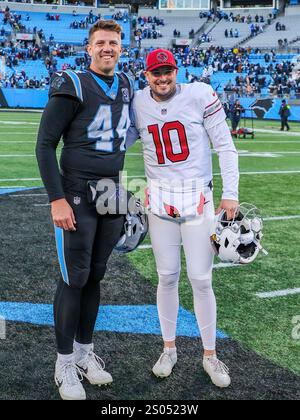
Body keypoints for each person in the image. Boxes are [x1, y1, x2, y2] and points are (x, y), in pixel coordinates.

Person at [126, 49, 239, 388]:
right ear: (146, 75)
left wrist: (230, 192)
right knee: (167, 276)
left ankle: (209, 355)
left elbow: (225, 144)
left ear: (176, 71)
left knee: (201, 279)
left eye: (167, 72)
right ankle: (169, 349)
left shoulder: (200, 94)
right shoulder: (137, 103)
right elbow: (122, 142)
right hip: (160, 203)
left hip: (197, 200)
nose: (162, 78)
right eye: (155, 73)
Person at [36, 20, 133, 401]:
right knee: (73, 278)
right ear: (89, 48)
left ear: (121, 48)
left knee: (95, 276)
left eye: (113, 42)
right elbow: (45, 145)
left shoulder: (125, 83)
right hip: (76, 193)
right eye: (101, 43)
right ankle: (64, 363)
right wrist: (55, 198)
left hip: (111, 193)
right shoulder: (72, 83)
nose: (108, 48)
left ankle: (84, 354)